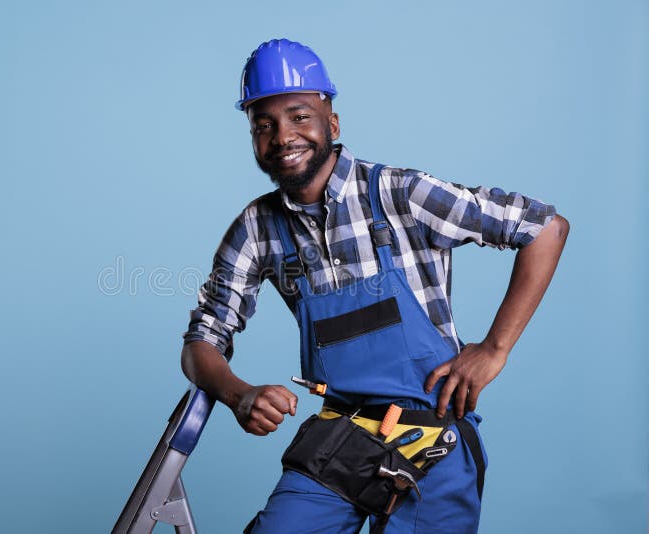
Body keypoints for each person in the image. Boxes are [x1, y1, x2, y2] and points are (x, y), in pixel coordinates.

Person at [181, 38, 569, 534]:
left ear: (332, 124)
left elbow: (545, 229)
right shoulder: (258, 228)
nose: (282, 136)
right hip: (339, 437)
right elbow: (200, 344)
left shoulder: (399, 195)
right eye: (264, 125)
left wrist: (495, 348)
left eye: (298, 116)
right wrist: (238, 395)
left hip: (434, 439)